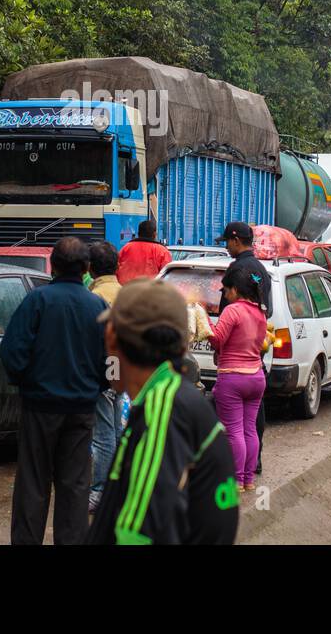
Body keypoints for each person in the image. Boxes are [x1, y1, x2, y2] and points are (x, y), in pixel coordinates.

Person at [87, 279, 240, 545]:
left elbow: (136, 535)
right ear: (182, 346)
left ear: (112, 337)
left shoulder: (163, 408)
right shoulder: (176, 399)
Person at [1, 237, 107, 545]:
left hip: (40, 407)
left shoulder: (37, 301)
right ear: (86, 268)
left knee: (33, 482)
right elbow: (110, 360)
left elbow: (12, 351)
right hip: (81, 410)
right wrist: (94, 388)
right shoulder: (98, 305)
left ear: (53, 265)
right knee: (75, 484)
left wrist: (26, 383)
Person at [218, 221, 273, 472]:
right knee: (252, 419)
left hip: (234, 355)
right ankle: (254, 464)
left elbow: (223, 318)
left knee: (234, 426)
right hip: (255, 349)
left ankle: (237, 473)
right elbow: (267, 309)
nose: (227, 247)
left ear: (236, 240)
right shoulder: (261, 269)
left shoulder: (236, 269)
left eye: (227, 242)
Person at [208, 268, 267, 492]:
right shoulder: (261, 312)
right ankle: (248, 479)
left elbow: (217, 340)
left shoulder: (233, 311)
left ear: (235, 289)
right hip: (256, 377)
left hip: (232, 377)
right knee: (249, 429)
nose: (224, 294)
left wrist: (203, 320)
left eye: (226, 290)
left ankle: (236, 481)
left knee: (233, 430)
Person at [87, 240, 122, 512]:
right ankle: (116, 484)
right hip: (121, 369)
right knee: (115, 426)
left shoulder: (96, 297)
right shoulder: (124, 293)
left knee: (103, 433)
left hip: (105, 368)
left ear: (90, 268)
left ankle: (100, 490)